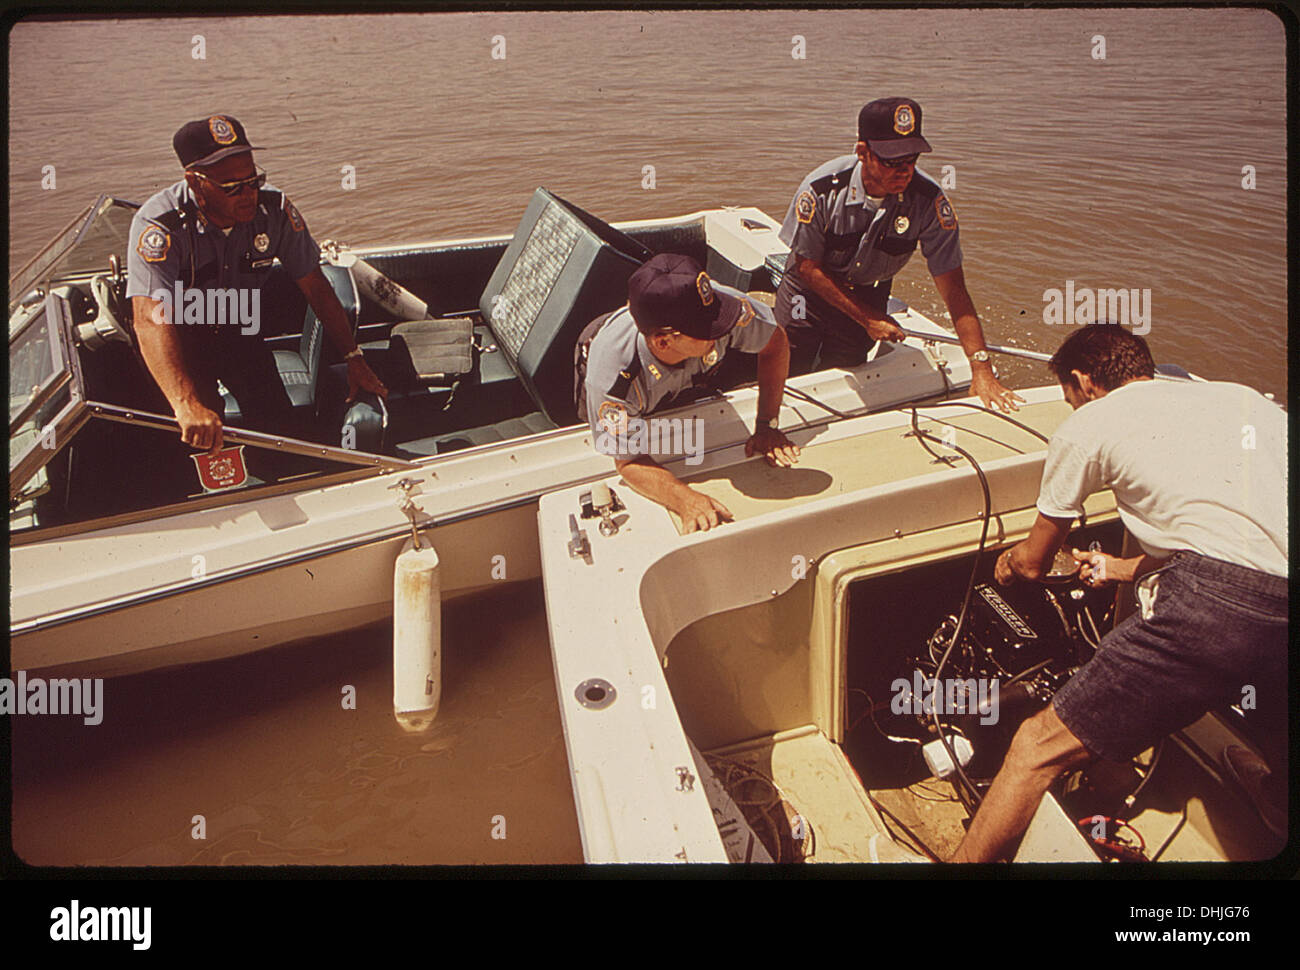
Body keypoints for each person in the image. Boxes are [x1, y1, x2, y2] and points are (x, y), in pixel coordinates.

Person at [949, 325, 1287, 862]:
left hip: (1213, 610)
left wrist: (1005, 568)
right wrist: (1119, 568)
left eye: (1069, 398)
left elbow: (1035, 565)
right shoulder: (1240, 398)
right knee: (1274, 717)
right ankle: (1278, 801)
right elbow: (1236, 536)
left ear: (1083, 382)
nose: (1072, 409)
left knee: (1036, 747)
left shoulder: (1090, 425)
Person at [126, 114, 387, 453]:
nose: (247, 194)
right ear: (194, 181)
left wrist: (354, 357)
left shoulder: (274, 210)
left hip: (240, 330)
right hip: (182, 338)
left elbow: (315, 285)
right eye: (231, 187)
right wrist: (185, 402)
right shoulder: (159, 226)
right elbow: (149, 318)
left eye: (253, 180)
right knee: (199, 440)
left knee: (281, 431)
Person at [776, 96, 1022, 412]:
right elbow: (808, 268)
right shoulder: (821, 189)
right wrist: (867, 318)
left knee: (844, 376)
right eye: (892, 161)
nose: (904, 170)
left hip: (868, 294)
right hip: (806, 293)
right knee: (789, 369)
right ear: (863, 152)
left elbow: (954, 291)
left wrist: (981, 368)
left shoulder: (929, 202)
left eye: (912, 158)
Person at [575, 253, 800, 533]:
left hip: (690, 373)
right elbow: (627, 460)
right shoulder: (611, 378)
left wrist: (767, 423)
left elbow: (775, 341)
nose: (724, 327)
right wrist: (683, 499)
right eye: (707, 329)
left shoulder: (718, 305)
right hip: (627, 374)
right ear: (664, 341)